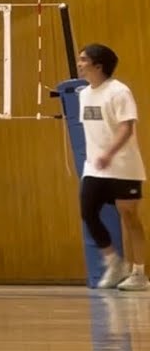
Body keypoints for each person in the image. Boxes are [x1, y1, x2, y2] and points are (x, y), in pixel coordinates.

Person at [76, 43, 147, 291]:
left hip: (123, 166)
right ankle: (113, 262)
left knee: (129, 217)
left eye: (84, 60)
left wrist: (109, 153)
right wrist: (97, 157)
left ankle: (139, 273)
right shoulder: (83, 94)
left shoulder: (119, 92)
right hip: (95, 168)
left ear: (99, 65)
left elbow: (126, 128)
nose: (79, 63)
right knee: (88, 211)